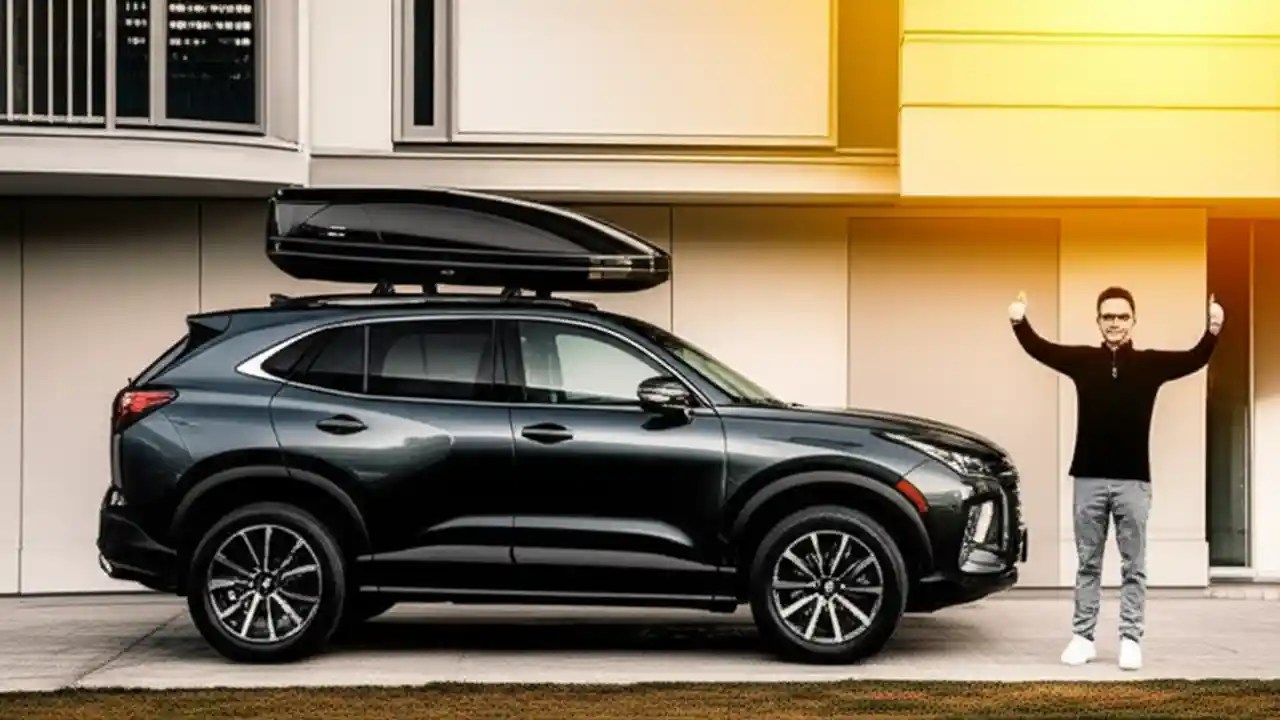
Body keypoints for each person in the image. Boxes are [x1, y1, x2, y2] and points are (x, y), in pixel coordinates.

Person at [1008, 286, 1223, 671]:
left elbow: (1194, 358)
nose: (1115, 323)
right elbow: (1041, 349)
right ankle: (1082, 637)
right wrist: (1018, 321)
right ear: (1098, 321)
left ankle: (1130, 639)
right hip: (1088, 478)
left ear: (1133, 321)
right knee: (1087, 563)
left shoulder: (1150, 365)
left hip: (1133, 482)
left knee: (1133, 566)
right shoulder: (1083, 361)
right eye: (1108, 316)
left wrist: (1213, 330)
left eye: (1122, 316)